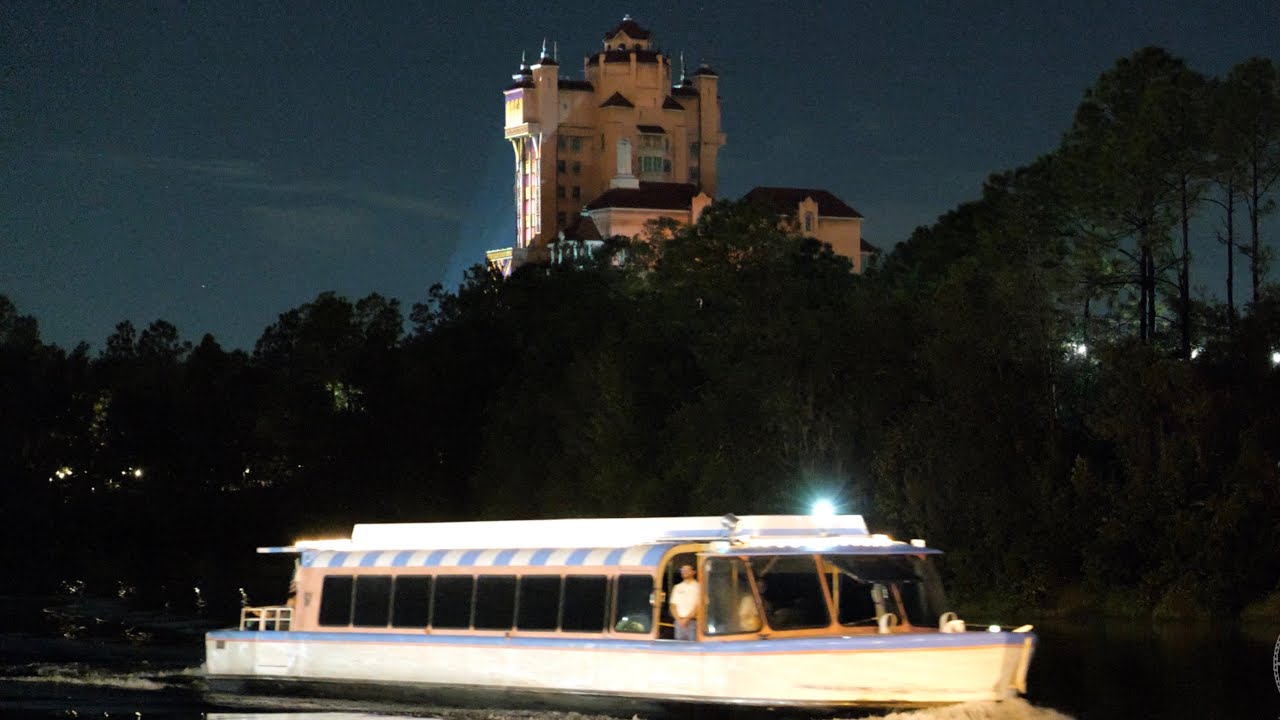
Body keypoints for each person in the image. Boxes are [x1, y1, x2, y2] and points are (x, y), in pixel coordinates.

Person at [669, 564, 700, 641]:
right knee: (679, 647)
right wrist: (679, 620)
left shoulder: (699, 587)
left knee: (693, 648)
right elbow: (672, 606)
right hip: (678, 623)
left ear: (693, 572)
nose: (684, 572)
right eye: (682, 570)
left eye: (687, 570)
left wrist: (687, 619)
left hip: (693, 622)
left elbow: (699, 606)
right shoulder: (677, 587)